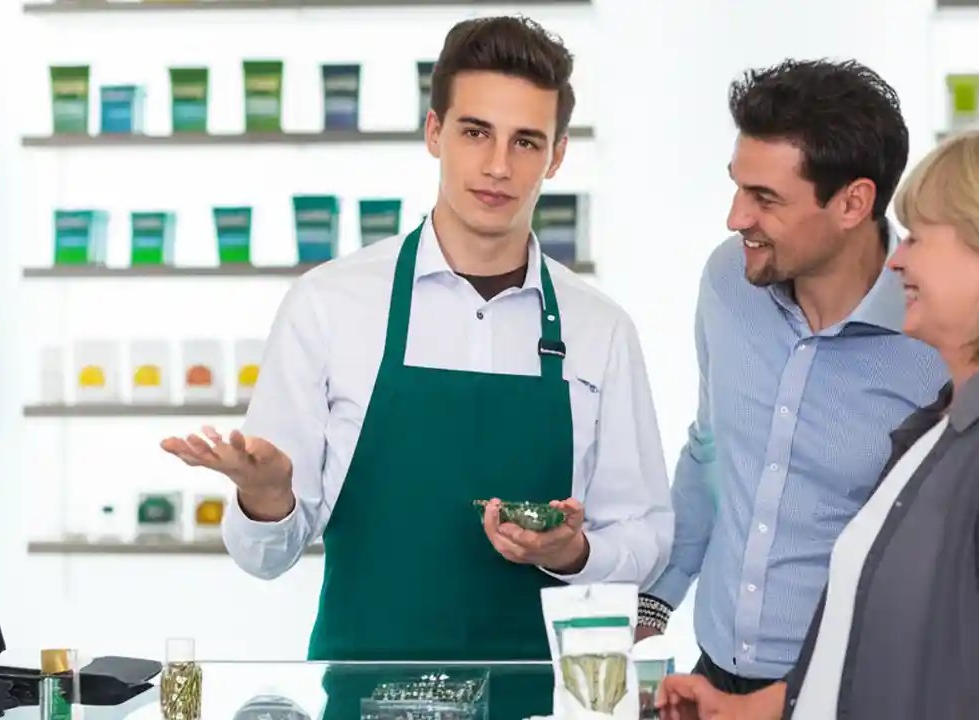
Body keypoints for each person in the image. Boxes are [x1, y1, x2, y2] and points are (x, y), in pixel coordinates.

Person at [159, 15, 673, 720]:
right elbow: (263, 557)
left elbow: (644, 536)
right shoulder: (329, 306)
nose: (497, 166)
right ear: (434, 132)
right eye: (475, 132)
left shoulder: (601, 331)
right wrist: (267, 497)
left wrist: (573, 550)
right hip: (361, 701)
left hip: (540, 706)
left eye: (526, 142)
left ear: (555, 157)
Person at [657, 127, 979, 720]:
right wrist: (745, 710)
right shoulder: (946, 425)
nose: (898, 259)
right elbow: (879, 664)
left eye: (917, 236)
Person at [636, 59, 948, 693]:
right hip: (713, 677)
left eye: (765, 199)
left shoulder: (937, 337)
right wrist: (655, 600)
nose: (735, 218)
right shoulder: (729, 280)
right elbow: (710, 448)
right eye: (737, 186)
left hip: (850, 692)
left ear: (853, 203)